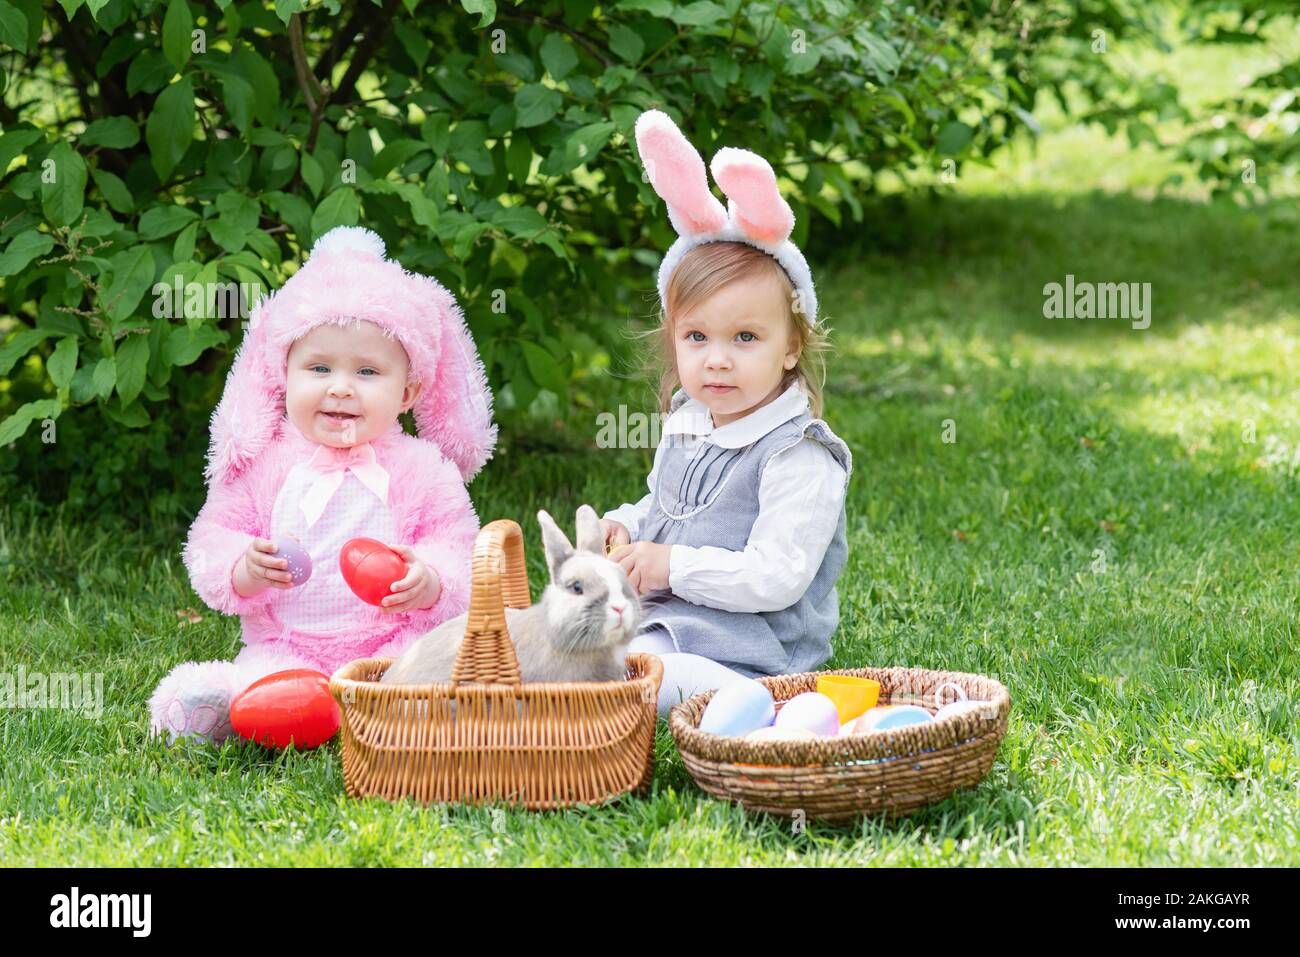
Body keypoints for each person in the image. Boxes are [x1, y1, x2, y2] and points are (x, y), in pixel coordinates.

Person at [148, 226, 496, 745]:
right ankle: (234, 706)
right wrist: (243, 567)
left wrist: (433, 580)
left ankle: (390, 705)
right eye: (318, 367)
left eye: (367, 371)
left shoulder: (421, 469)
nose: (340, 386)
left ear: (409, 391)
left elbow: (459, 544)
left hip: (393, 642)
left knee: (427, 671)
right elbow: (211, 539)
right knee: (267, 678)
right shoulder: (267, 467)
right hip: (288, 645)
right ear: (282, 375)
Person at [601, 111, 853, 719]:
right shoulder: (691, 419)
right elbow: (670, 508)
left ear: (791, 347)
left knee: (635, 682)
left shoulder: (800, 454)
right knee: (559, 638)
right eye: (696, 338)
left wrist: (671, 566)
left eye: (745, 338)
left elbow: (777, 577)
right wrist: (629, 529)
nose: (717, 361)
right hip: (670, 621)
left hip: (753, 655)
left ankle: (734, 708)